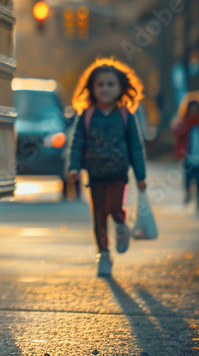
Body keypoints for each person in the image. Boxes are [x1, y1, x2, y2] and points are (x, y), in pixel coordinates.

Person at [66, 59, 148, 278]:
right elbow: (77, 143)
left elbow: (136, 147)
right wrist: (74, 167)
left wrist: (141, 175)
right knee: (99, 216)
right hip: (95, 174)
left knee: (113, 207)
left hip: (118, 174)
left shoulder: (125, 115)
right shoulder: (88, 114)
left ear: (120, 88)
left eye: (110, 84)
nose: (105, 88)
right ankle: (103, 255)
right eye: (100, 84)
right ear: (92, 88)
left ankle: (121, 224)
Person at [172, 91, 199, 214]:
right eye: (192, 109)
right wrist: (185, 125)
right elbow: (177, 134)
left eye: (196, 109)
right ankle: (187, 194)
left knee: (198, 180)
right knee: (187, 178)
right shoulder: (184, 122)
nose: (194, 111)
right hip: (187, 157)